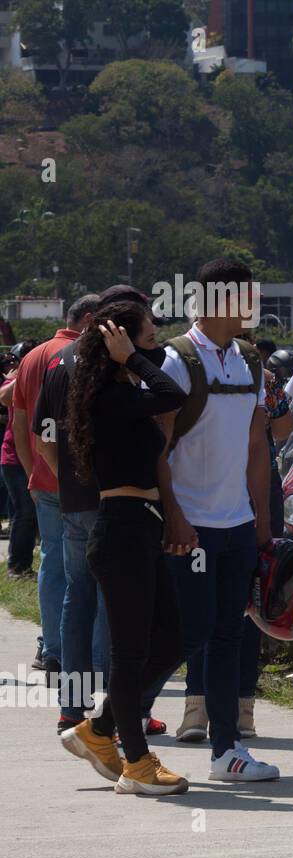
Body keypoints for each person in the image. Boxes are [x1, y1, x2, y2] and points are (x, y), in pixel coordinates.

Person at [153, 257, 279, 782]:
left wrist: (262, 523)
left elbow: (256, 449)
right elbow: (156, 450)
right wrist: (175, 517)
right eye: (250, 295)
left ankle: (227, 751)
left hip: (237, 527)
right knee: (188, 634)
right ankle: (112, 720)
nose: (256, 305)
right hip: (191, 526)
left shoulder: (249, 362)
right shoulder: (176, 361)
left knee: (228, 635)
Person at [59, 301, 190, 795]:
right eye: (149, 334)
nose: (156, 339)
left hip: (141, 528)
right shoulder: (109, 397)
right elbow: (172, 393)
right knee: (130, 652)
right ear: (121, 341)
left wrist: (132, 357)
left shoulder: (123, 389)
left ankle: (97, 730)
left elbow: (167, 387)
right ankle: (135, 764)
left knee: (174, 637)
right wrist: (131, 356)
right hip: (120, 531)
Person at [34, 288, 141, 735]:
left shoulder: (59, 363)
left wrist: (70, 478)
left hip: (74, 499)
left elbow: (43, 435)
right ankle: (120, 710)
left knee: (76, 596)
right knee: (120, 605)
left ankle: (72, 707)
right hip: (114, 501)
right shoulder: (112, 368)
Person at [12, 297, 101, 672]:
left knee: (51, 562)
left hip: (43, 477)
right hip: (79, 482)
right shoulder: (80, 358)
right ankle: (91, 658)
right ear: (89, 320)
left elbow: (19, 422)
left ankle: (52, 648)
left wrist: (33, 470)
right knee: (86, 575)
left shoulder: (33, 357)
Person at [0, 353, 36, 585]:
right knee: (25, 513)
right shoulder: (13, 382)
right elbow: (4, 395)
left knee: (25, 514)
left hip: (29, 457)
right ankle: (16, 566)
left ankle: (21, 564)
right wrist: (23, 374)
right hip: (14, 460)